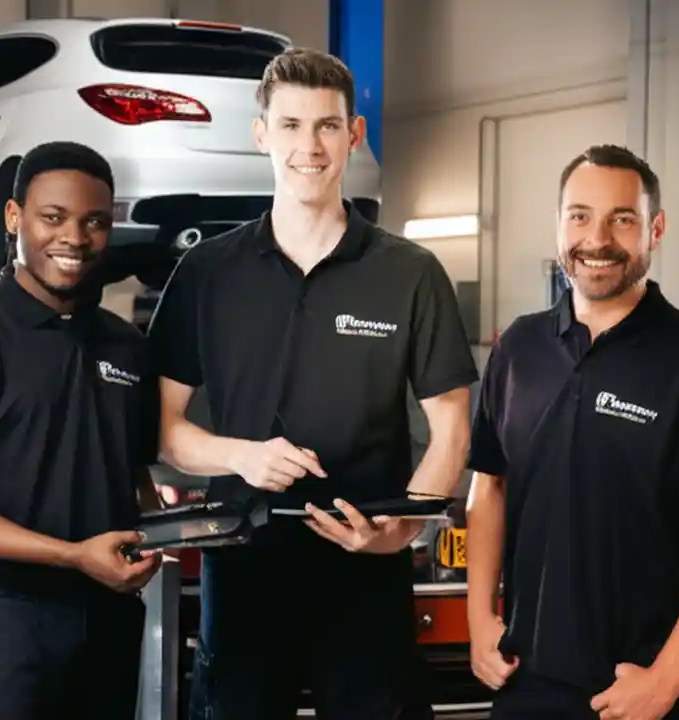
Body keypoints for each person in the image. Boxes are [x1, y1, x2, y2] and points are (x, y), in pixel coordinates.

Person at [147, 48, 479, 719]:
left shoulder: (409, 274)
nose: (310, 147)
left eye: (327, 126)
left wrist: (399, 529)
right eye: (291, 126)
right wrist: (244, 456)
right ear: (261, 134)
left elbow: (451, 429)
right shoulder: (208, 274)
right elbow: (163, 428)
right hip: (244, 572)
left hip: (366, 577)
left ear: (354, 134)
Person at [464, 144, 679, 719]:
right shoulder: (519, 348)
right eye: (579, 216)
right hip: (523, 678)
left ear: (656, 228)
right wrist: (479, 617)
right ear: (559, 223)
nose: (597, 239)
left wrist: (666, 678)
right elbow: (490, 484)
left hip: (637, 692)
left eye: (622, 219)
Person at [0, 141, 163, 719]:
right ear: (14, 217)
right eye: (53, 217)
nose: (75, 238)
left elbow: (133, 473)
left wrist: (174, 529)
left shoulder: (126, 346)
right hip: (7, 622)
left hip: (111, 615)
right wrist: (71, 555)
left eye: (95, 222)